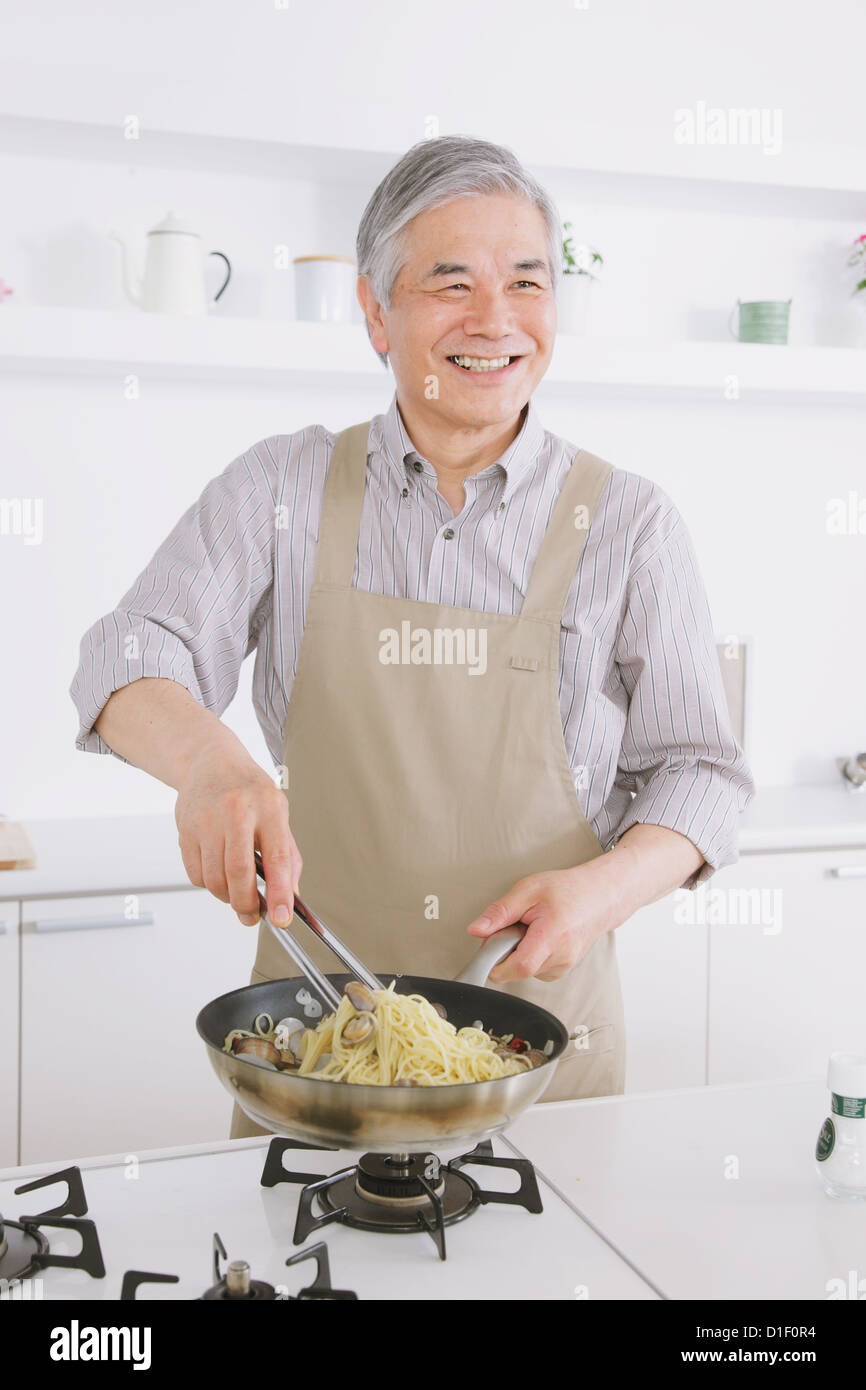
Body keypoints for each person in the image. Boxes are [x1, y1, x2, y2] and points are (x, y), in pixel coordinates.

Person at [70, 134, 755, 1132]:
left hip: (535, 1057)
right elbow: (128, 651)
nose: (494, 321)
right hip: (311, 1056)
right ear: (373, 310)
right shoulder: (282, 489)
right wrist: (209, 765)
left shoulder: (627, 524)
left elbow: (703, 772)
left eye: (526, 283)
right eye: (450, 283)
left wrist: (597, 892)